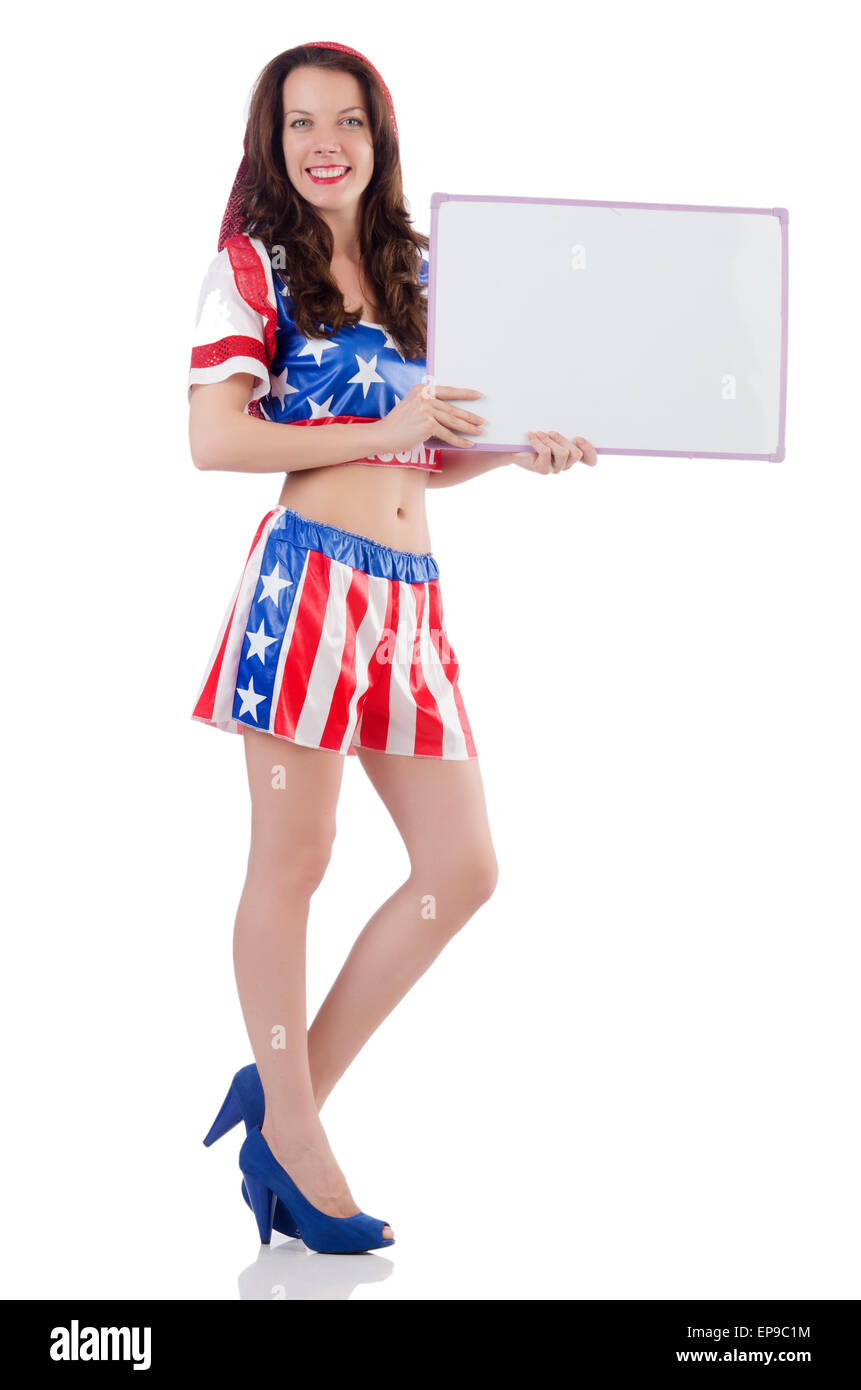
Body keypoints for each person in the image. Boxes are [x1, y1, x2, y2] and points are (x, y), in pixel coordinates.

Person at [188, 40, 598, 1255]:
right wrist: (386, 419)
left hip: (410, 597)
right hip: (308, 590)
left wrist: (514, 448)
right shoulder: (253, 268)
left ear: (381, 137)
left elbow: (422, 448)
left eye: (349, 122)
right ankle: (302, 1142)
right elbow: (218, 442)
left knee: (461, 864)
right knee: (296, 856)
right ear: (275, 142)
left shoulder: (419, 270)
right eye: (303, 123)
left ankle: (281, 1097)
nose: (327, 143)